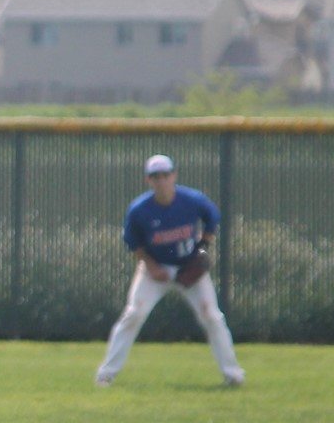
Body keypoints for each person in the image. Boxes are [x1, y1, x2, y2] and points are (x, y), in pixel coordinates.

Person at [95, 153, 245, 388]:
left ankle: (233, 374)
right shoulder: (139, 210)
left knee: (211, 316)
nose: (161, 180)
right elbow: (132, 242)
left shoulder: (192, 200)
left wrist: (202, 248)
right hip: (154, 270)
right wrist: (151, 267)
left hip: (189, 267)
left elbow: (212, 217)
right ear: (148, 181)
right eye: (156, 177)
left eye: (165, 175)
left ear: (174, 176)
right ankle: (106, 374)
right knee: (134, 313)